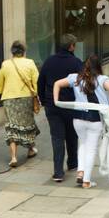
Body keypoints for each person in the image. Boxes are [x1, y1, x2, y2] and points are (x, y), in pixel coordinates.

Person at [52, 53, 109, 189]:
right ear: (98, 67)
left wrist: (56, 101)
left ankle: (80, 172)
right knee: (91, 148)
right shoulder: (101, 79)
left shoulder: (75, 78)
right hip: (95, 119)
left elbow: (57, 83)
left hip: (78, 118)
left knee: (82, 144)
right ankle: (86, 180)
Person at [38, 34, 82, 182]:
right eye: (74, 45)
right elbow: (82, 84)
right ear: (71, 47)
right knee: (72, 135)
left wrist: (44, 100)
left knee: (57, 137)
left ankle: (58, 172)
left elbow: (41, 82)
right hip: (71, 105)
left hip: (53, 105)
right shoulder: (76, 63)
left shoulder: (49, 61)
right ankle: (73, 163)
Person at [0, 41, 39, 168]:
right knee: (27, 124)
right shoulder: (30, 63)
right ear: (24, 52)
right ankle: (30, 149)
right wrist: (36, 94)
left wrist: (0, 92)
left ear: (12, 52)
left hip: (9, 99)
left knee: (12, 126)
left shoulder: (6, 64)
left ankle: (13, 157)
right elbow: (36, 80)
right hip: (25, 98)